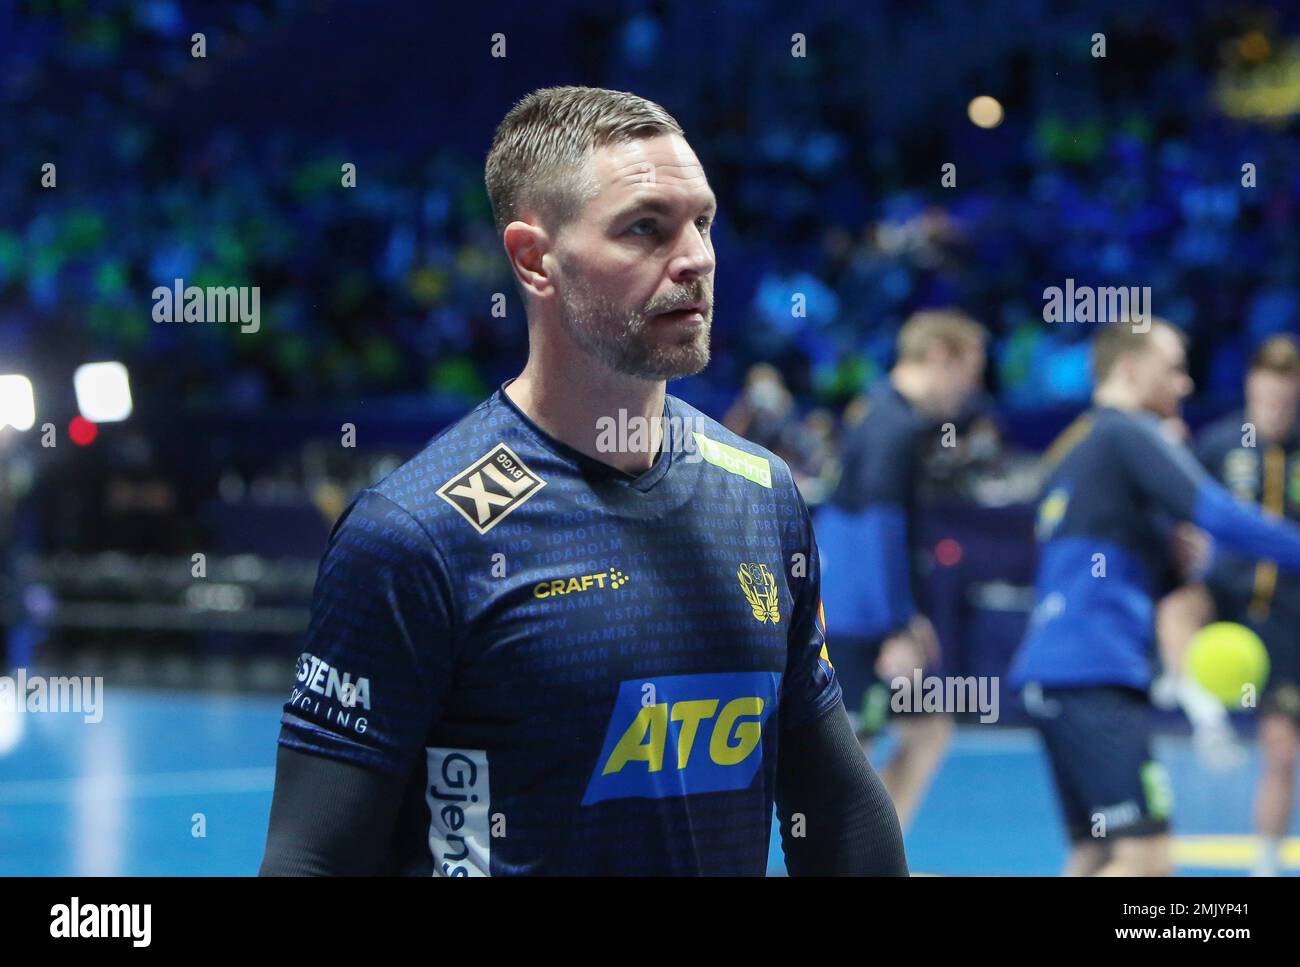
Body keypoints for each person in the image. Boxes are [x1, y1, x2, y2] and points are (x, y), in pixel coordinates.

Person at [260, 85, 906, 876]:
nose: (696, 257)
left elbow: (836, 813)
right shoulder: (419, 533)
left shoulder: (760, 496)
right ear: (536, 259)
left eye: (702, 221)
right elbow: (312, 858)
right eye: (646, 228)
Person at [1009, 321, 1300, 876]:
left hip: (1056, 676)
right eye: (1173, 368)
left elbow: (1109, 554)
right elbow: (1219, 514)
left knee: (1095, 851)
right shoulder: (1127, 432)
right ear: (1129, 370)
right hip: (1094, 676)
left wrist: (1170, 556)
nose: (1185, 384)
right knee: (1147, 861)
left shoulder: (1075, 446)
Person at [816, 310, 987, 829]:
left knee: (928, 727)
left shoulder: (881, 415)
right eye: (969, 372)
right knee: (852, 760)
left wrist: (907, 617)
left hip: (865, 615)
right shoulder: (894, 426)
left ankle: (881, 859)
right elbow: (877, 530)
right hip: (857, 624)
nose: (971, 390)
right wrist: (896, 627)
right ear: (940, 356)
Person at [1158, 334, 1300, 876]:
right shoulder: (1220, 444)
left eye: (1285, 402)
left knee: (1283, 748)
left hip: (1288, 617)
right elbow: (1181, 513)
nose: (1274, 412)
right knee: (1176, 601)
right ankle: (1204, 714)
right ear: (1249, 390)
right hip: (1227, 601)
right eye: (1265, 400)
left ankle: (1265, 860)